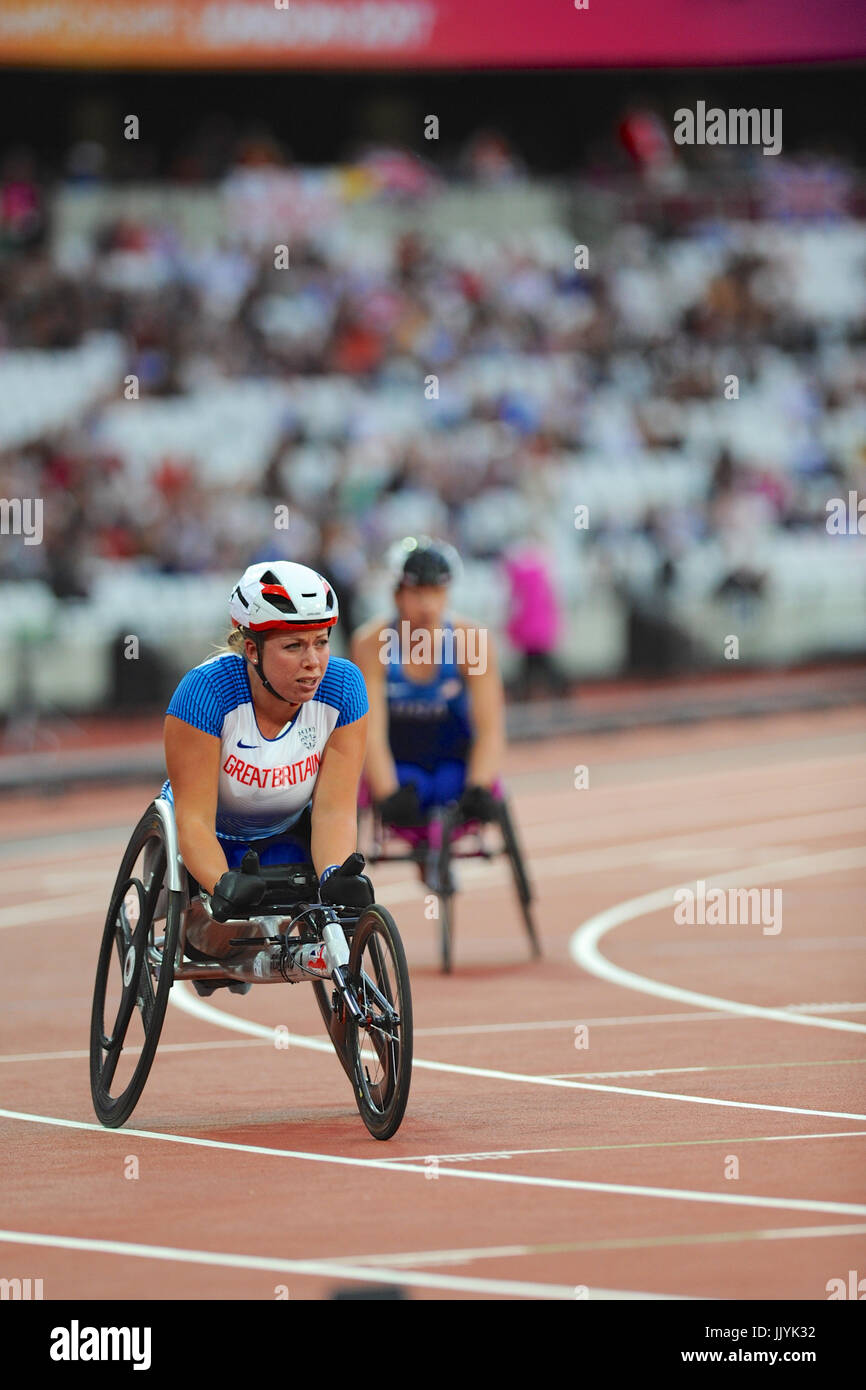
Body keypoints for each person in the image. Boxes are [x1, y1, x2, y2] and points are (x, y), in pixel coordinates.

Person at [160, 560, 371, 995]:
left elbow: (333, 809)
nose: (313, 662)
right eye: (293, 646)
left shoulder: (344, 687)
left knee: (335, 902)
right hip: (210, 838)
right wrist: (220, 883)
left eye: (322, 642)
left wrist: (333, 874)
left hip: (285, 833)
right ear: (252, 650)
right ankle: (191, 928)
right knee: (219, 936)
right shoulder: (205, 693)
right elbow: (194, 820)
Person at [350, 536, 505, 837]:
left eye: (436, 592)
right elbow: (370, 730)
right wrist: (386, 793)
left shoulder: (471, 640)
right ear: (397, 595)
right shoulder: (370, 643)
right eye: (417, 593)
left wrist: (480, 785)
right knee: (397, 791)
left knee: (461, 788)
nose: (427, 605)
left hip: (454, 758)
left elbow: (490, 727)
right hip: (401, 760)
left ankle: (440, 848)